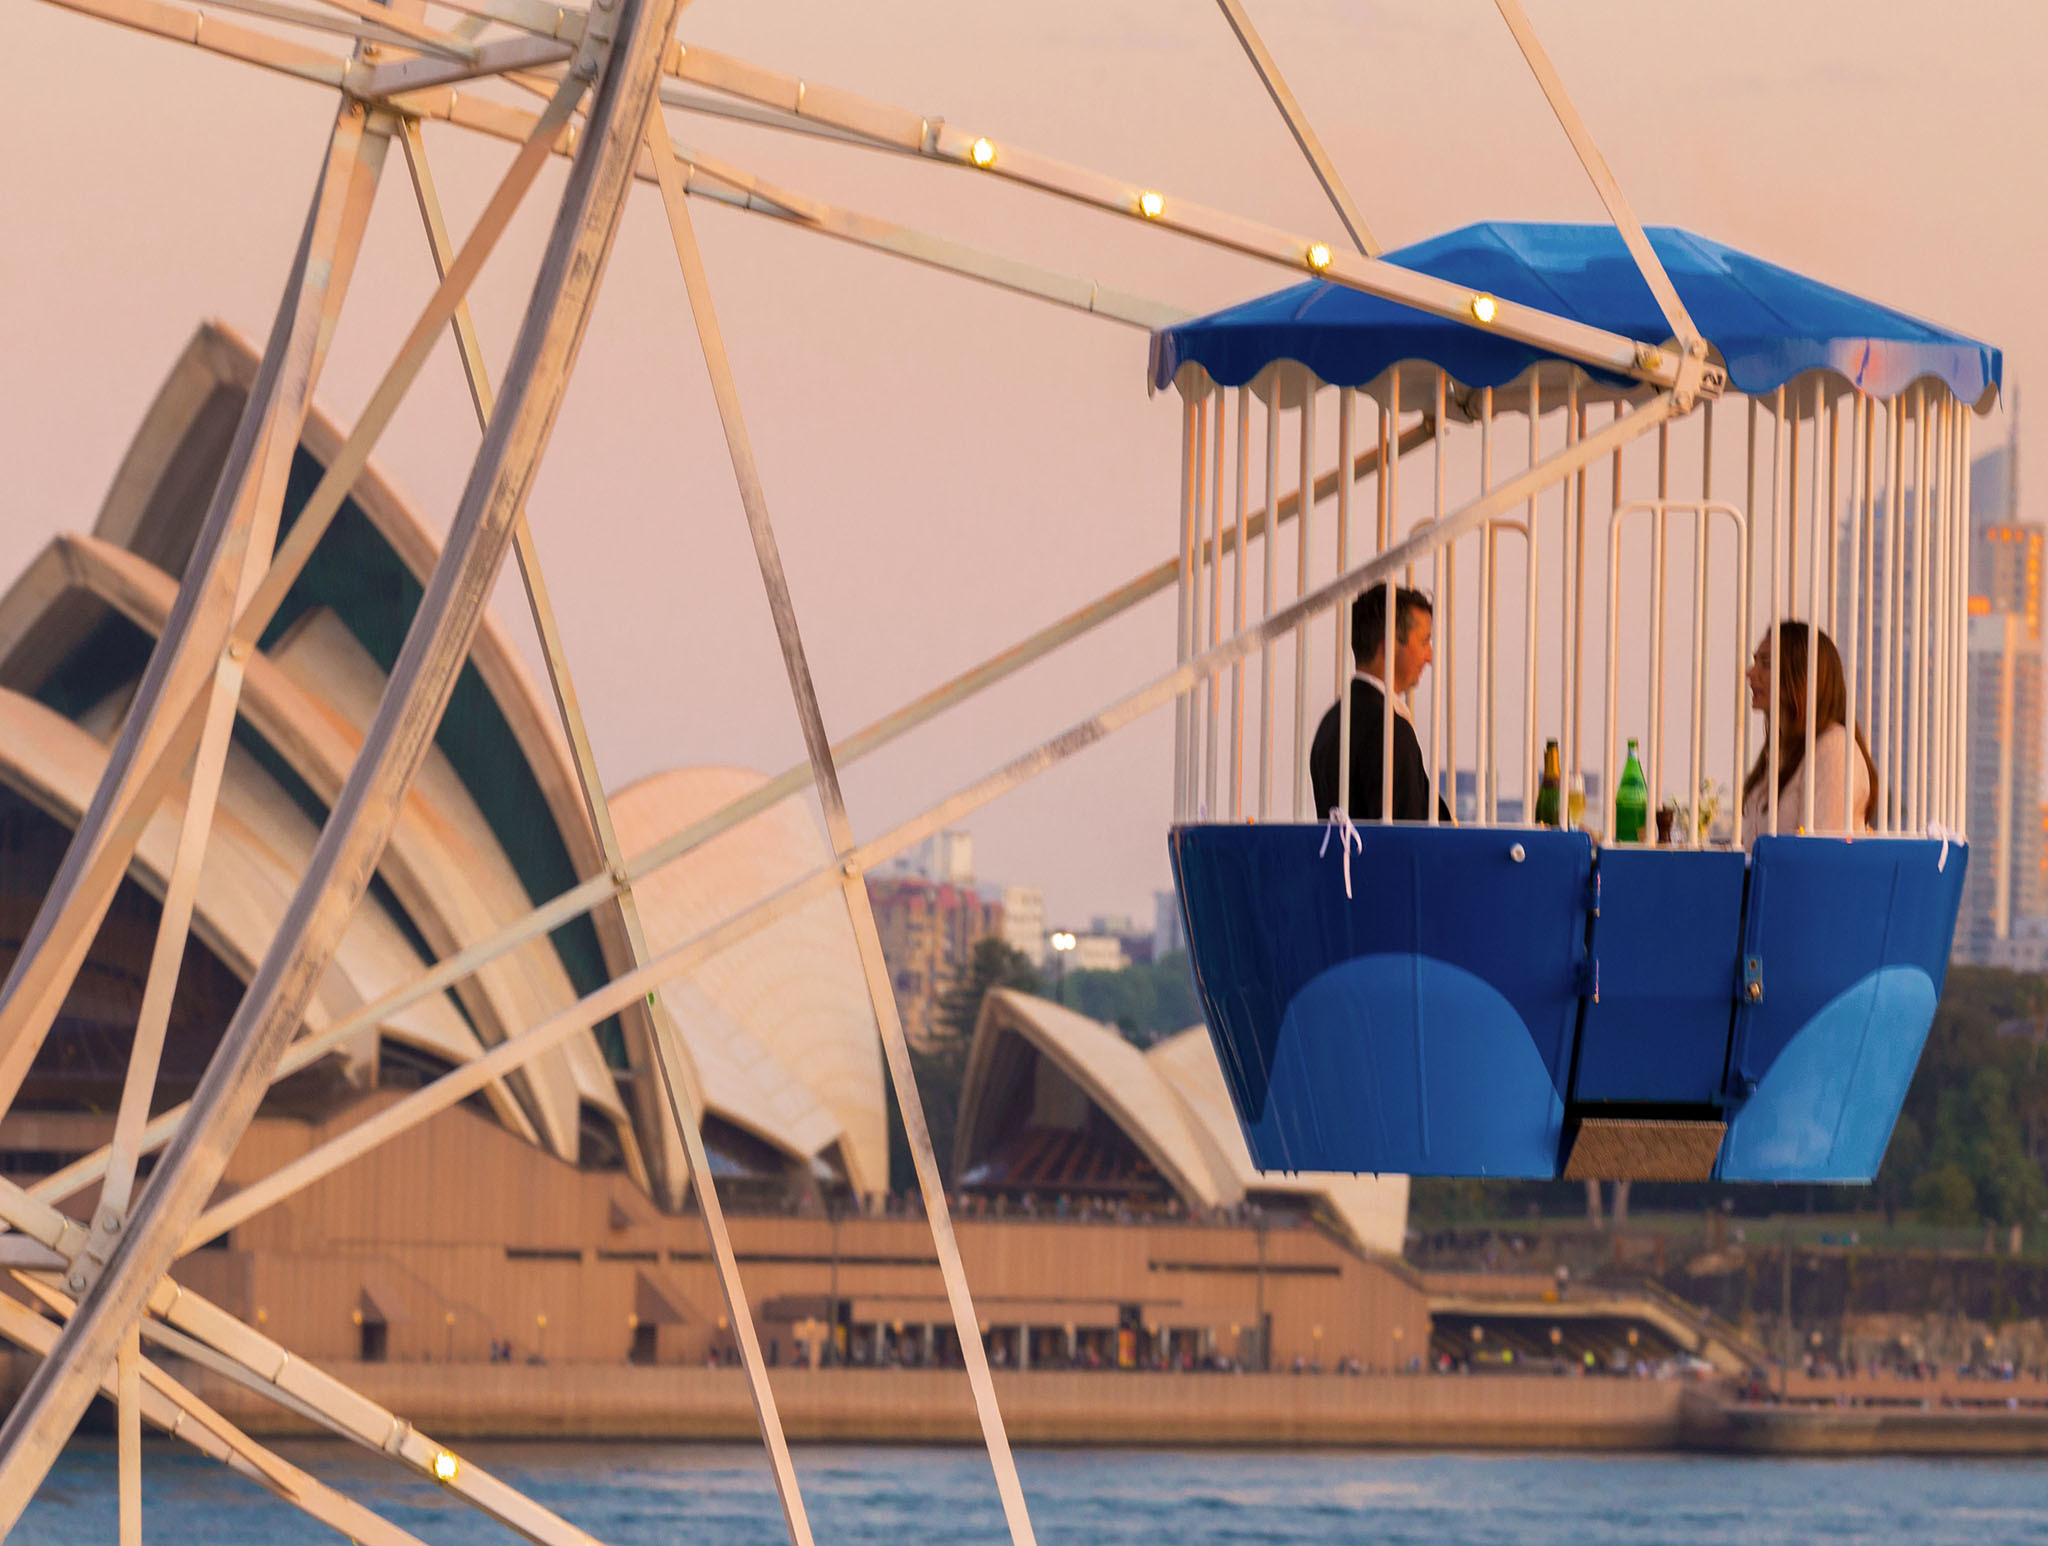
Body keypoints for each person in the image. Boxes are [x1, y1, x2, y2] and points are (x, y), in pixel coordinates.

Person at [1309, 584, 1451, 822]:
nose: (1430, 656)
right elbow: (1406, 842)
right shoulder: (1388, 730)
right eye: (1425, 641)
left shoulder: (1331, 722)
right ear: (1390, 646)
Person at [1740, 621, 1877, 838]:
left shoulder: (1833, 749)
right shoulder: (1778, 752)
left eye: (1766, 663)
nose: (1751, 673)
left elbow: (1821, 854)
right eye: (1755, 661)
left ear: (1802, 675)